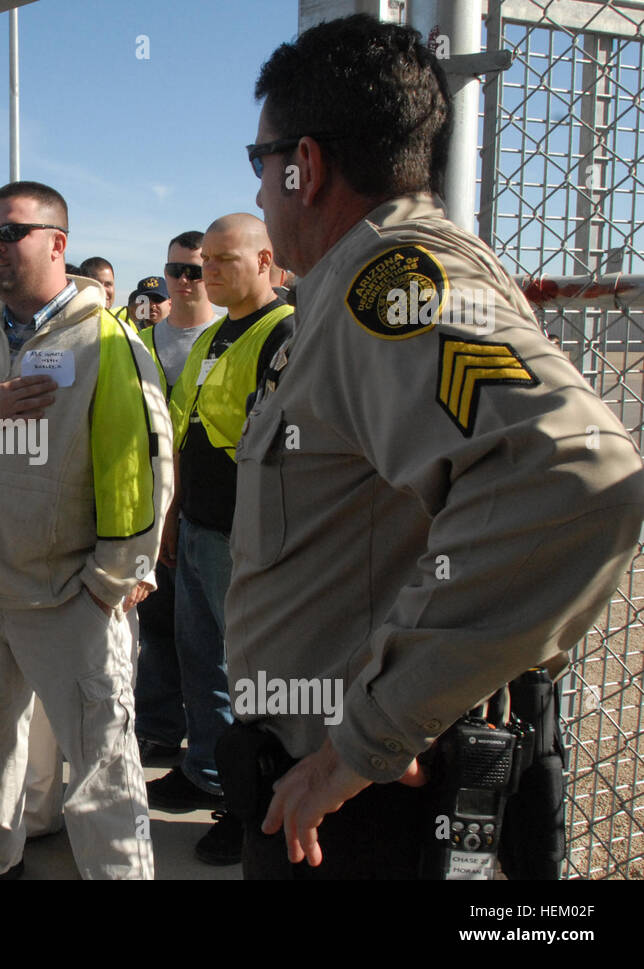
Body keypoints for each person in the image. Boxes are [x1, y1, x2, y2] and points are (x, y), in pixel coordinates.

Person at [224, 14, 644, 879]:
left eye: (259, 162)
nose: (262, 194)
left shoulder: (390, 282)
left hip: (363, 812)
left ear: (306, 165)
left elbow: (573, 474)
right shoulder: (358, 284)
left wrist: (362, 742)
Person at [0, 180, 172, 879]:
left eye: (11, 232)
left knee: (100, 762)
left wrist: (115, 579)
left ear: (57, 242)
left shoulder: (105, 339)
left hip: (66, 597)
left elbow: (145, 465)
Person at [152, 214, 295, 867]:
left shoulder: (282, 331)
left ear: (266, 261)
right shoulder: (217, 334)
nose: (206, 272)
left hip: (247, 539)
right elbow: (189, 429)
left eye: (223, 260)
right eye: (202, 261)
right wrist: (175, 510)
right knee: (201, 660)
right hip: (201, 527)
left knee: (251, 679)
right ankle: (207, 770)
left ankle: (246, 810)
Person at [132, 231, 218, 769]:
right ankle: (159, 730)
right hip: (148, 505)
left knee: (210, 647)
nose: (184, 281)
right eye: (175, 270)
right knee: (158, 631)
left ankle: (211, 761)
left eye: (195, 271)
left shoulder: (226, 339)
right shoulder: (140, 341)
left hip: (203, 510)